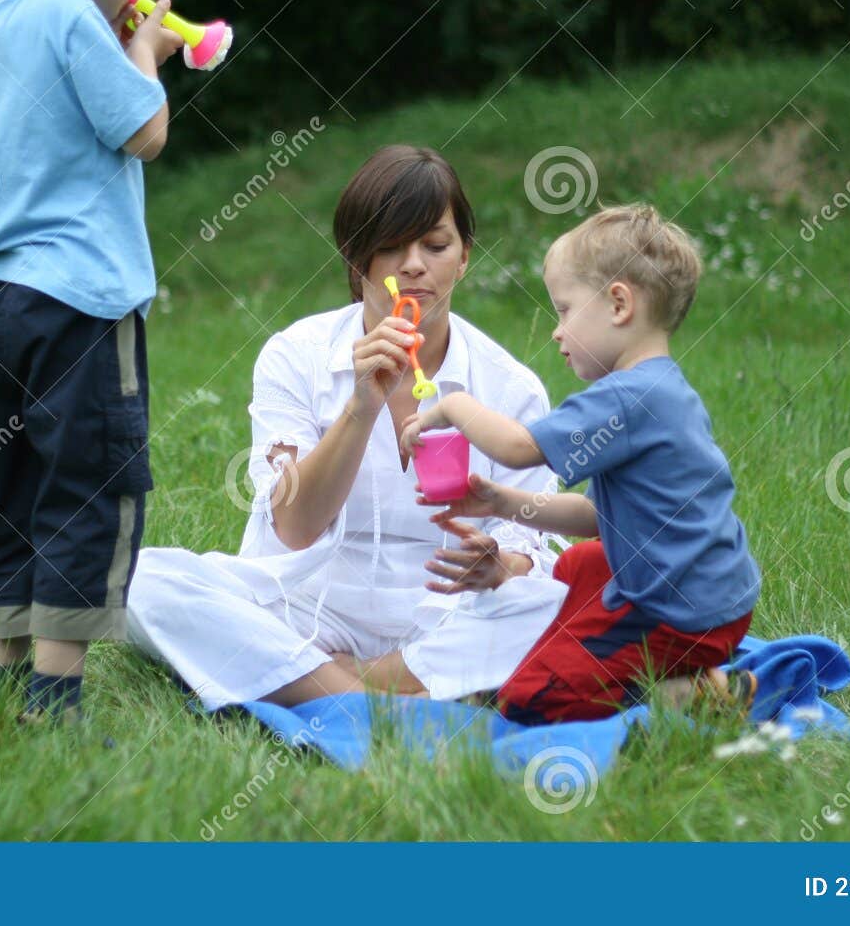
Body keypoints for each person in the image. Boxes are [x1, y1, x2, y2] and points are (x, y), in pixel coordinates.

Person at [125, 147, 568, 708]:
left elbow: (535, 539)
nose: (413, 265)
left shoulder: (510, 386)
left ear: (464, 258)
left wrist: (501, 564)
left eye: (435, 245)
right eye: (389, 246)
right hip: (311, 602)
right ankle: (391, 698)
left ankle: (333, 686)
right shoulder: (295, 357)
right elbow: (292, 526)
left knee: (558, 602)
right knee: (144, 580)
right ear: (356, 261)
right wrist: (361, 406)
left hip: (444, 610)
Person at [0, 0, 183, 723]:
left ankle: (6, 673)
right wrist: (148, 53)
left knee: (12, 485)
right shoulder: (70, 19)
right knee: (91, 482)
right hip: (85, 303)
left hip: (0, 303)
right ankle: (57, 696)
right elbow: (144, 129)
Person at [400, 204, 762, 722]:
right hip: (712, 590)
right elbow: (602, 518)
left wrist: (451, 404)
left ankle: (697, 694)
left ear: (618, 304)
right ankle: (687, 672)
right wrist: (504, 502)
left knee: (535, 696)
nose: (556, 331)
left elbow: (517, 447)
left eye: (565, 310)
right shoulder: (666, 389)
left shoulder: (623, 398)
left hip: (677, 611)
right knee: (574, 565)